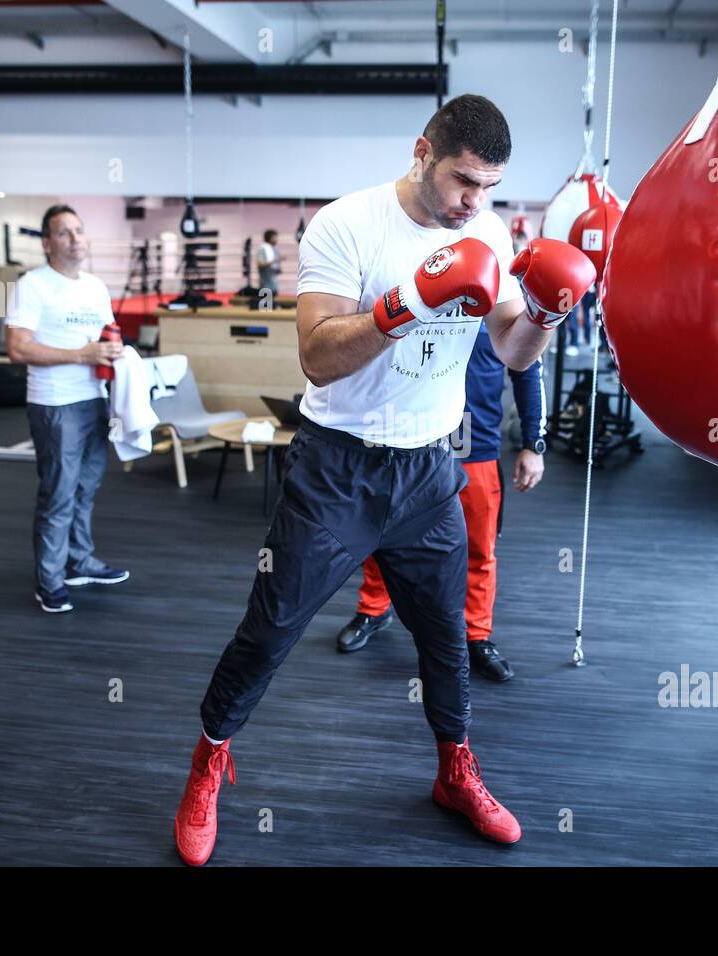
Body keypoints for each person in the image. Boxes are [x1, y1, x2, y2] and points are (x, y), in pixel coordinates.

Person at [173, 94, 595, 866]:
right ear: (421, 151)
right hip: (338, 469)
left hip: (430, 470)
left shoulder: (488, 230)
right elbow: (318, 356)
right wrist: (408, 303)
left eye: (489, 188)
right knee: (270, 628)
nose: (476, 203)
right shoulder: (346, 224)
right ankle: (208, 764)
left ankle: (454, 772)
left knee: (445, 639)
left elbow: (511, 349)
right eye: (464, 182)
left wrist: (548, 311)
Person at [334, 321, 546, 682]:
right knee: (382, 536)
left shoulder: (503, 305)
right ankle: (374, 608)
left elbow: (528, 370)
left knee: (479, 548)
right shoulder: (418, 292)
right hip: (410, 444)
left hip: (475, 448)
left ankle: (476, 635)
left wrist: (532, 443)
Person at [5, 204, 129, 614]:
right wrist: (82, 354)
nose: (75, 238)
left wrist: (115, 355)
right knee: (59, 493)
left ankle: (79, 561)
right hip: (55, 404)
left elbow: (105, 338)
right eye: (64, 233)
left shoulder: (94, 285)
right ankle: (50, 580)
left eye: (79, 230)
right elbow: (18, 347)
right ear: (47, 243)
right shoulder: (33, 284)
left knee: (86, 488)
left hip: (94, 399)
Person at [256, 229, 280, 300]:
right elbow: (260, 264)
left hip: (273, 285)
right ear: (270, 238)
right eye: (275, 237)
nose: (276, 239)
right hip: (266, 285)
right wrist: (274, 260)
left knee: (272, 308)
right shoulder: (263, 248)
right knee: (266, 309)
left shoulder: (274, 250)